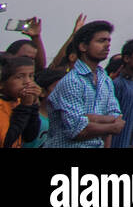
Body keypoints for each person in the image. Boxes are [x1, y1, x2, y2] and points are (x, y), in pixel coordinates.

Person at [43, 20, 123, 148]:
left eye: (108, 41)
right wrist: (110, 126)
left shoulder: (105, 79)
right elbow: (76, 130)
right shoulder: (72, 81)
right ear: (83, 47)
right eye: (101, 41)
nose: (107, 45)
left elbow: (116, 116)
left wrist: (90, 119)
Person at [0, 55, 42, 148]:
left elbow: (29, 136)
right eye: (19, 77)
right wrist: (25, 107)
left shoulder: (19, 101)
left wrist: (34, 104)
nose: (28, 82)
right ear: (2, 83)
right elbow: (6, 142)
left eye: (31, 76)